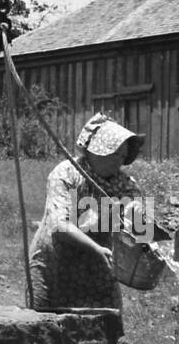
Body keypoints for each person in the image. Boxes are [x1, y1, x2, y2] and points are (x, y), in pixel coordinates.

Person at [28, 113, 145, 313]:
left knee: (104, 333)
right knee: (48, 332)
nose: (121, 161)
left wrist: (138, 216)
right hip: (55, 266)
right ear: (97, 151)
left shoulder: (125, 184)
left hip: (97, 272)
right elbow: (59, 226)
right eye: (116, 154)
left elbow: (142, 227)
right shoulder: (66, 173)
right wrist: (96, 249)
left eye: (124, 156)